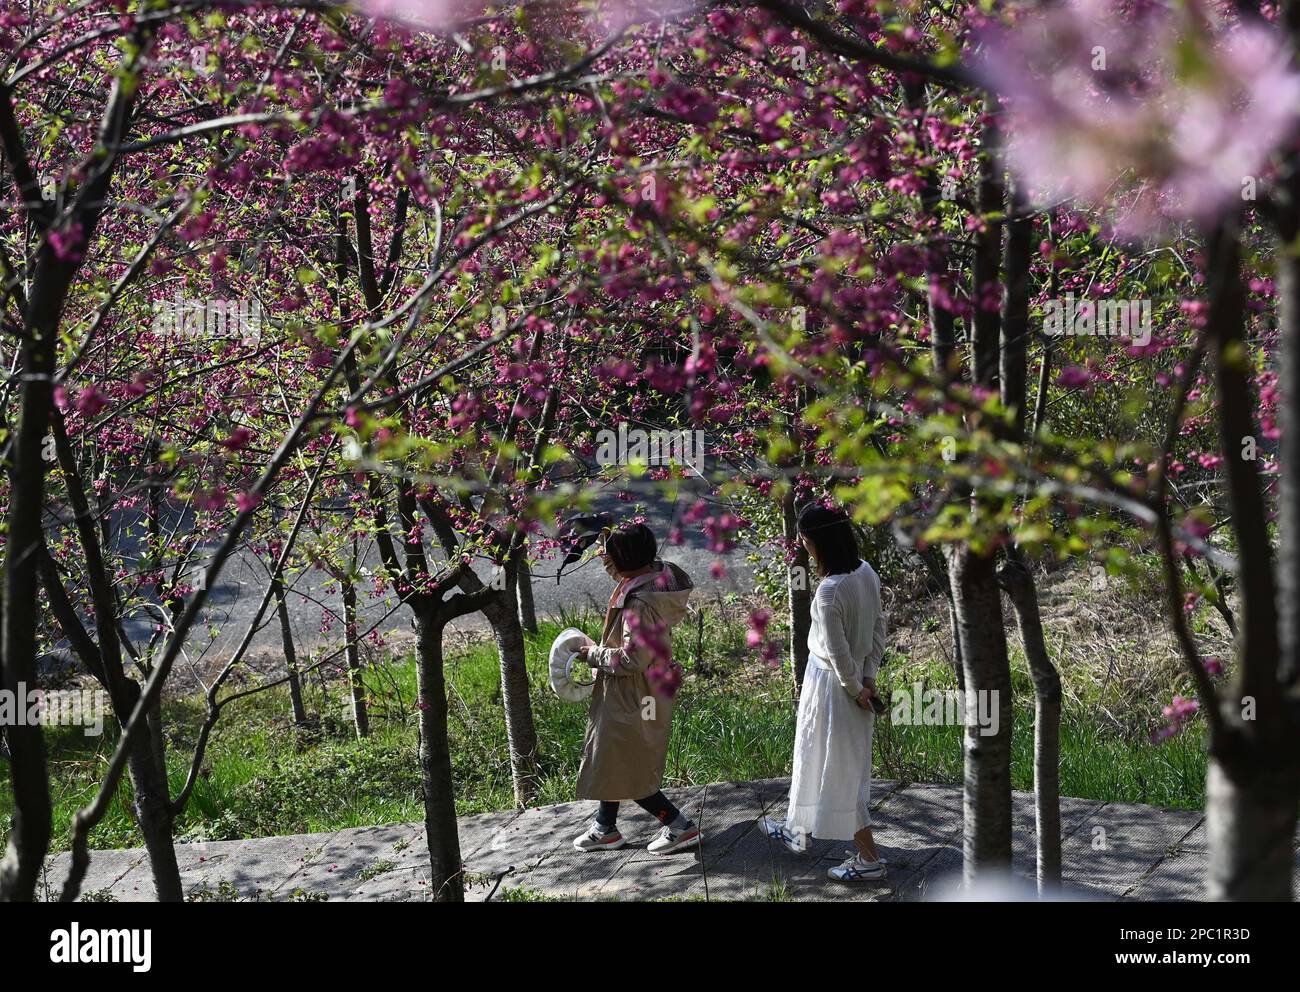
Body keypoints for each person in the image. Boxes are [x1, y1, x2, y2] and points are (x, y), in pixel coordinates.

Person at [761, 502, 889, 881]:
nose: (802, 544)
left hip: (834, 689)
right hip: (846, 685)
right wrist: (868, 677)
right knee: (813, 757)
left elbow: (837, 653)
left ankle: (869, 861)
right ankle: (798, 830)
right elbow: (878, 628)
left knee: (840, 773)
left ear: (817, 542)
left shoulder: (830, 592)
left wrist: (855, 687)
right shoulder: (866, 573)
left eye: (804, 539)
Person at [570, 521, 701, 855]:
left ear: (624, 559)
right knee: (613, 757)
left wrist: (592, 654)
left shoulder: (638, 604)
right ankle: (605, 827)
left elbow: (632, 659)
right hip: (642, 689)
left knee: (629, 766)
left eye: (609, 556)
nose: (604, 561)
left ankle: (678, 825)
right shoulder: (654, 579)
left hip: (634, 691)